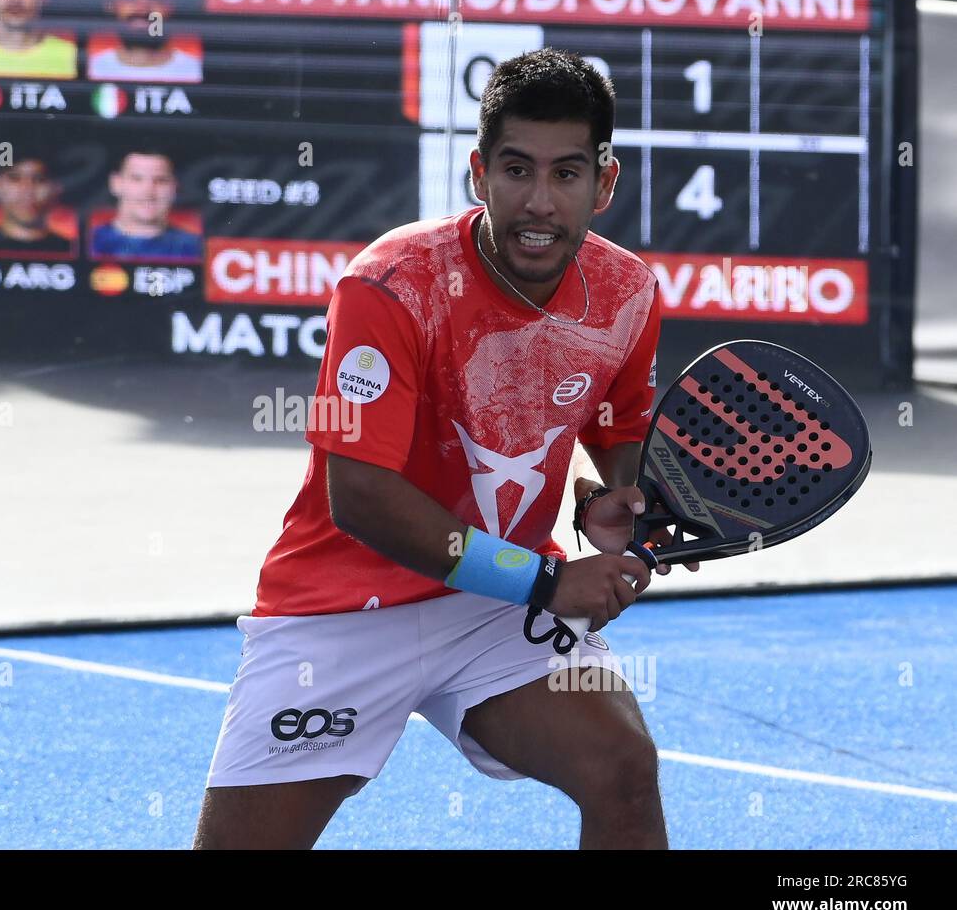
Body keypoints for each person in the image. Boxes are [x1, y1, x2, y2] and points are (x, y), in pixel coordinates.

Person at [194, 48, 700, 850]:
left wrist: (615, 505)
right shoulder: (389, 285)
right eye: (516, 170)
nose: (539, 201)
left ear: (604, 183)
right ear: (478, 174)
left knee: (623, 769)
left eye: (567, 174)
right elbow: (358, 495)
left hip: (492, 610)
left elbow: (616, 434)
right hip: (346, 609)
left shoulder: (626, 293)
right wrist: (544, 580)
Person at [90, 150, 201, 261]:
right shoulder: (88, 244)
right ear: (116, 183)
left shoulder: (197, 248)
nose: (148, 191)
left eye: (160, 180)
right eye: (137, 179)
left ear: (174, 187)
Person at [89, 0, 203, 83]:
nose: (142, 8)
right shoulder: (93, 69)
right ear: (111, 4)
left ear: (170, 5)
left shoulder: (194, 71)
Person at [0, 156, 75, 255]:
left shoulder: (69, 248)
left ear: (56, 189)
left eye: (39, 179)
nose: (27, 190)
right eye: (15, 178)